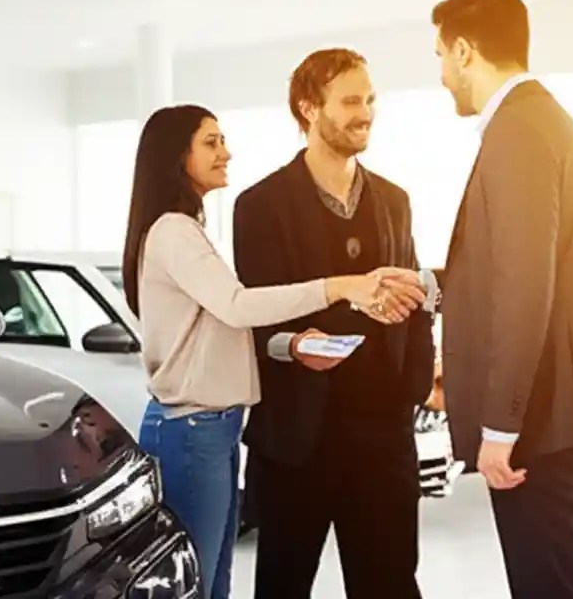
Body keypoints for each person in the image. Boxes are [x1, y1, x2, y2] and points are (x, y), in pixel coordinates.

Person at [121, 103, 425, 599]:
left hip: (210, 429)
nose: (226, 153)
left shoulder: (183, 229)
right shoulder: (174, 230)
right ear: (176, 156)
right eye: (211, 142)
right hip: (193, 429)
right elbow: (239, 306)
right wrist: (338, 286)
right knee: (199, 586)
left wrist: (294, 340)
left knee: (212, 583)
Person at [426, 0, 573, 599]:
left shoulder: (517, 132)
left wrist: (500, 428)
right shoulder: (543, 123)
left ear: (464, 51)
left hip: (541, 422)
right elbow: (518, 266)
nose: (440, 76)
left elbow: (524, 285)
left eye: (439, 55)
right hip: (558, 412)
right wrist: (434, 285)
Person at [232, 49, 437, 599]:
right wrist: (292, 345)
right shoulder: (259, 205)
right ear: (308, 108)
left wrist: (415, 388)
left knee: (392, 586)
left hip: (383, 438)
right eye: (350, 101)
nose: (365, 112)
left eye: (369, 100)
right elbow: (253, 318)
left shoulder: (395, 201)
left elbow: (413, 303)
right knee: (284, 584)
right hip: (297, 441)